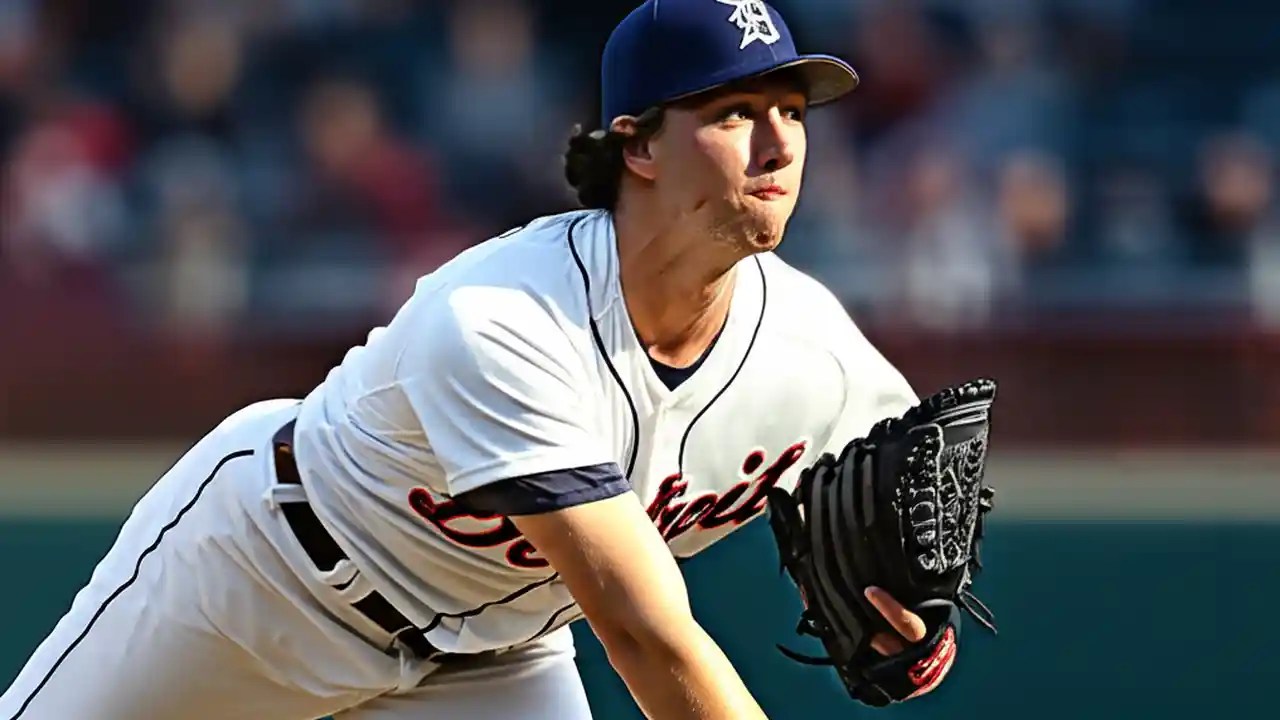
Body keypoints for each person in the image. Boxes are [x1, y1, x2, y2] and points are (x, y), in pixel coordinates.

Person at [0, 2, 947, 718]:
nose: (781, 141)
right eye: (737, 111)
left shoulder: (817, 355)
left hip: (498, 660)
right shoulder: (503, 316)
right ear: (640, 144)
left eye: (795, 108)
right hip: (264, 584)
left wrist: (923, 625)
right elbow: (649, 639)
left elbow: (919, 508)